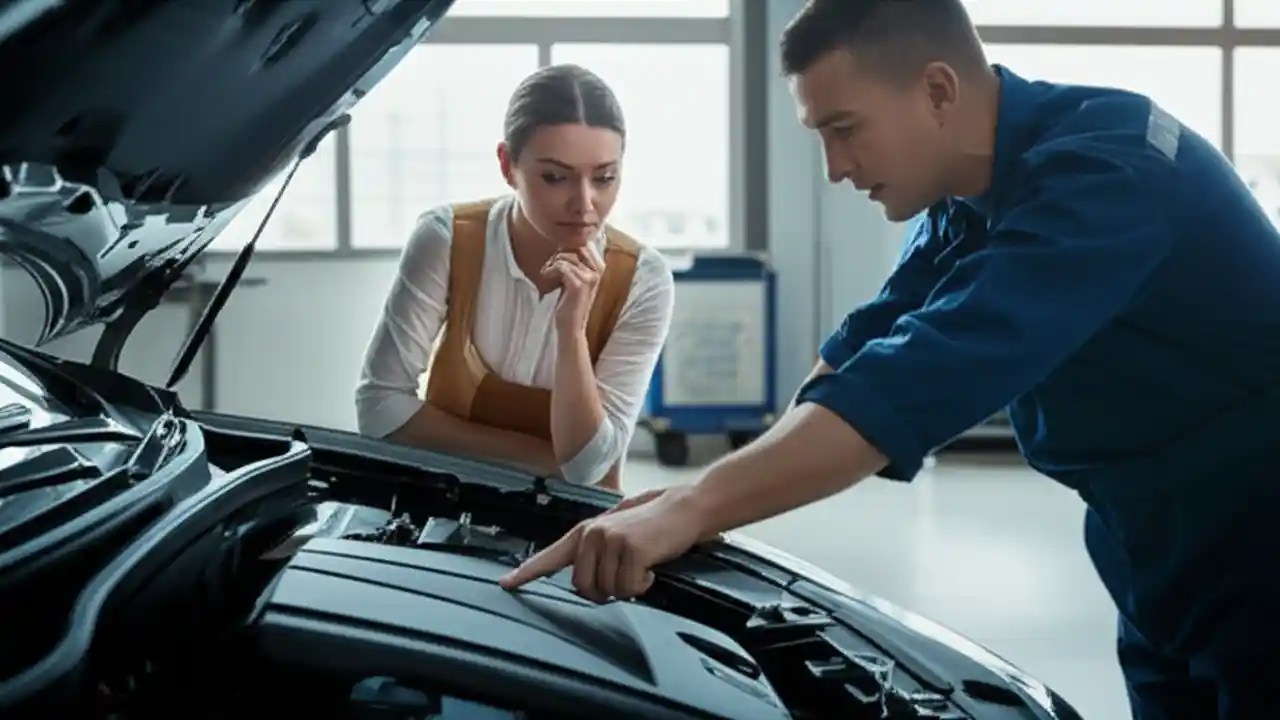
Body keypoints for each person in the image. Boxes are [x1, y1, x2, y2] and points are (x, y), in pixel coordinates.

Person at [498, 2, 1280, 718]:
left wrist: (698, 508)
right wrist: (690, 500)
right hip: (1149, 545)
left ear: (937, 90)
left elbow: (911, 383)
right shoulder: (966, 198)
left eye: (845, 128)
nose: (836, 167)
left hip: (1255, 537)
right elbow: (859, 356)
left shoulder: (1109, 175)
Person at [355, 63, 674, 493]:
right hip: (443, 500)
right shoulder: (448, 239)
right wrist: (544, 461)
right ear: (508, 166)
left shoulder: (643, 280)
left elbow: (584, 468)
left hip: (570, 522)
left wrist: (571, 331)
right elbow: (378, 407)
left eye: (604, 178)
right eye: (555, 177)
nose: (585, 204)